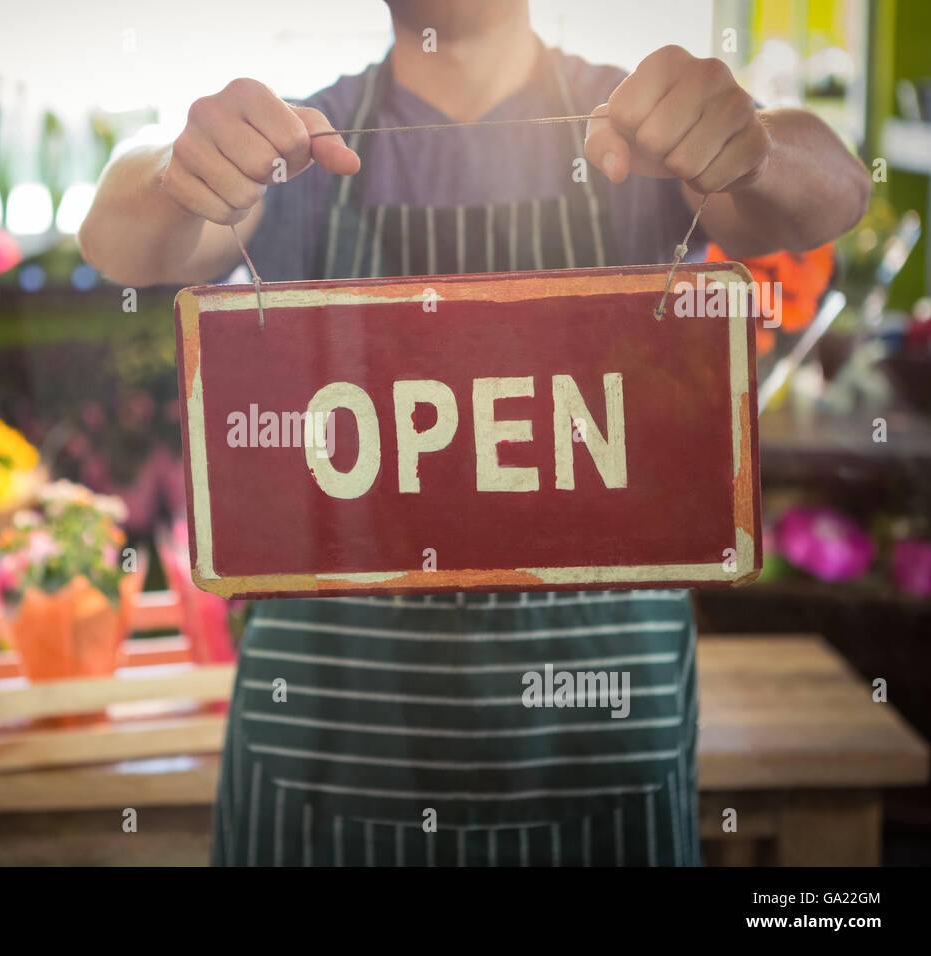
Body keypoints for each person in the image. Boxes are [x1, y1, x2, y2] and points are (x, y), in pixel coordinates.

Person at [80, 0, 870, 866]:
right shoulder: (296, 146)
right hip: (321, 774)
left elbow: (832, 191)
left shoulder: (645, 125)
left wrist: (747, 140)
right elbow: (118, 235)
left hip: (603, 767)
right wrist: (177, 169)